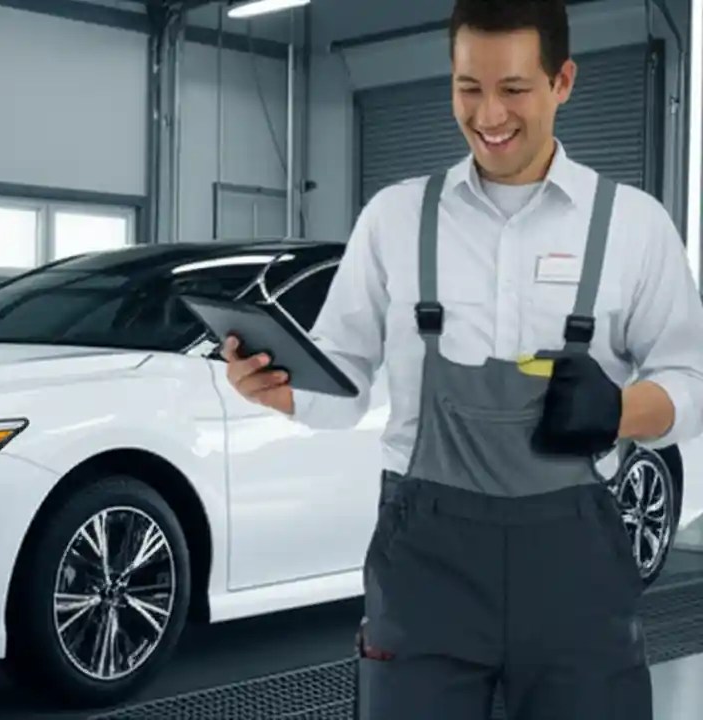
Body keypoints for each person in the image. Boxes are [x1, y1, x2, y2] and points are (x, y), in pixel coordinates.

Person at [222, 0, 703, 717]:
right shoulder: (395, 217)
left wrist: (619, 409)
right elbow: (344, 382)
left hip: (575, 569)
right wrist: (280, 387)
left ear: (562, 82)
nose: (488, 115)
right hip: (426, 571)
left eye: (513, 89)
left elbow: (691, 380)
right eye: (467, 87)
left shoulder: (633, 226)